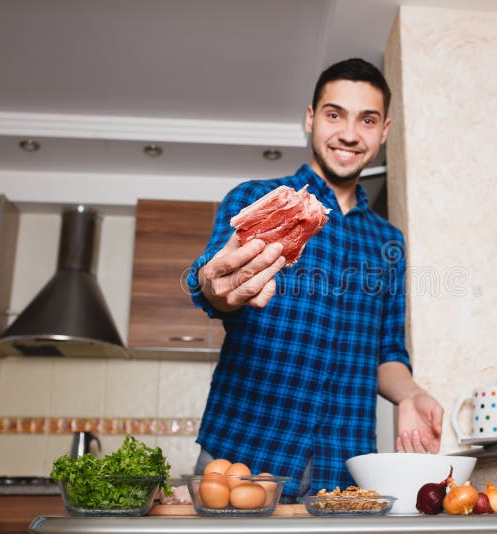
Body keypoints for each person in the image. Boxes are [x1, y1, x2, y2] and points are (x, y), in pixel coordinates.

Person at [186, 58, 443, 502]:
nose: (348, 133)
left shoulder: (387, 240)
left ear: (384, 131)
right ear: (310, 118)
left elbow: (387, 352)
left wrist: (410, 396)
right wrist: (214, 284)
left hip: (342, 465)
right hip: (243, 449)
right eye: (334, 114)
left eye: (367, 120)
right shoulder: (257, 198)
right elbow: (215, 284)